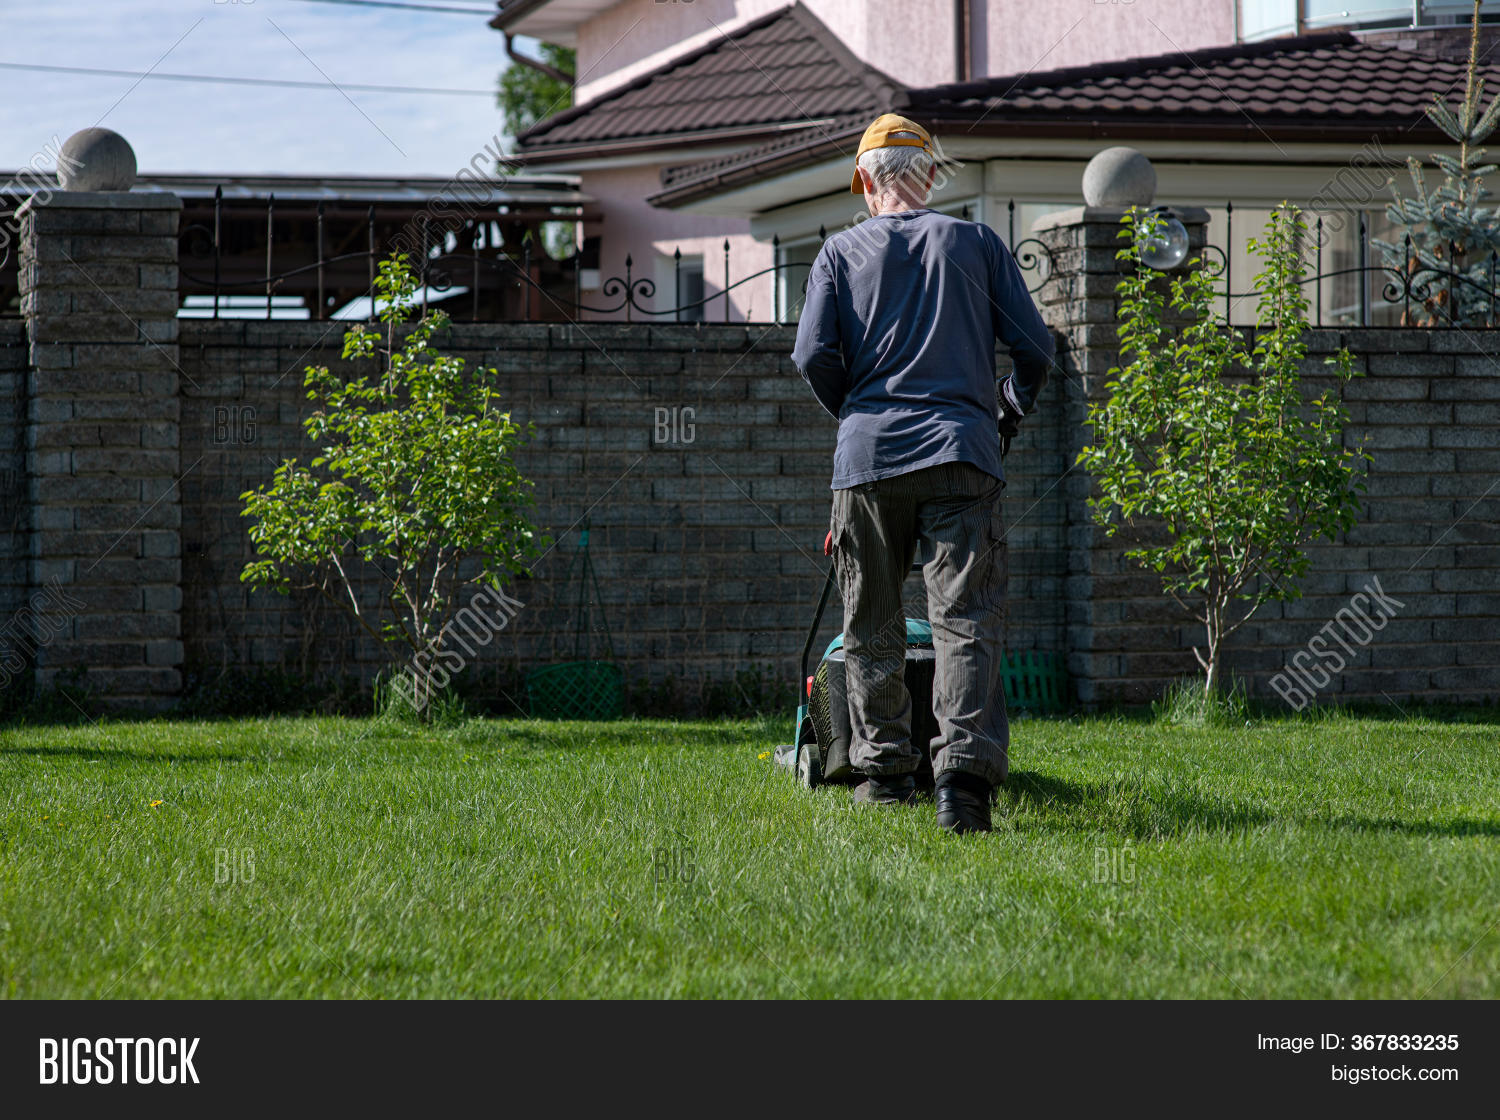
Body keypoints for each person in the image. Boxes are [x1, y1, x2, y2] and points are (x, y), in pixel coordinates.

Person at [791, 113, 1054, 834]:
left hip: (868, 461)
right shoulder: (975, 244)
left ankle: (882, 779)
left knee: (870, 623)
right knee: (964, 623)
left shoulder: (838, 254)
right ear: (930, 176)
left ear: (868, 184)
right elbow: (1037, 351)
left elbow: (812, 356)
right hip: (963, 453)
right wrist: (1003, 410)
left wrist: (860, 414)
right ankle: (962, 791)